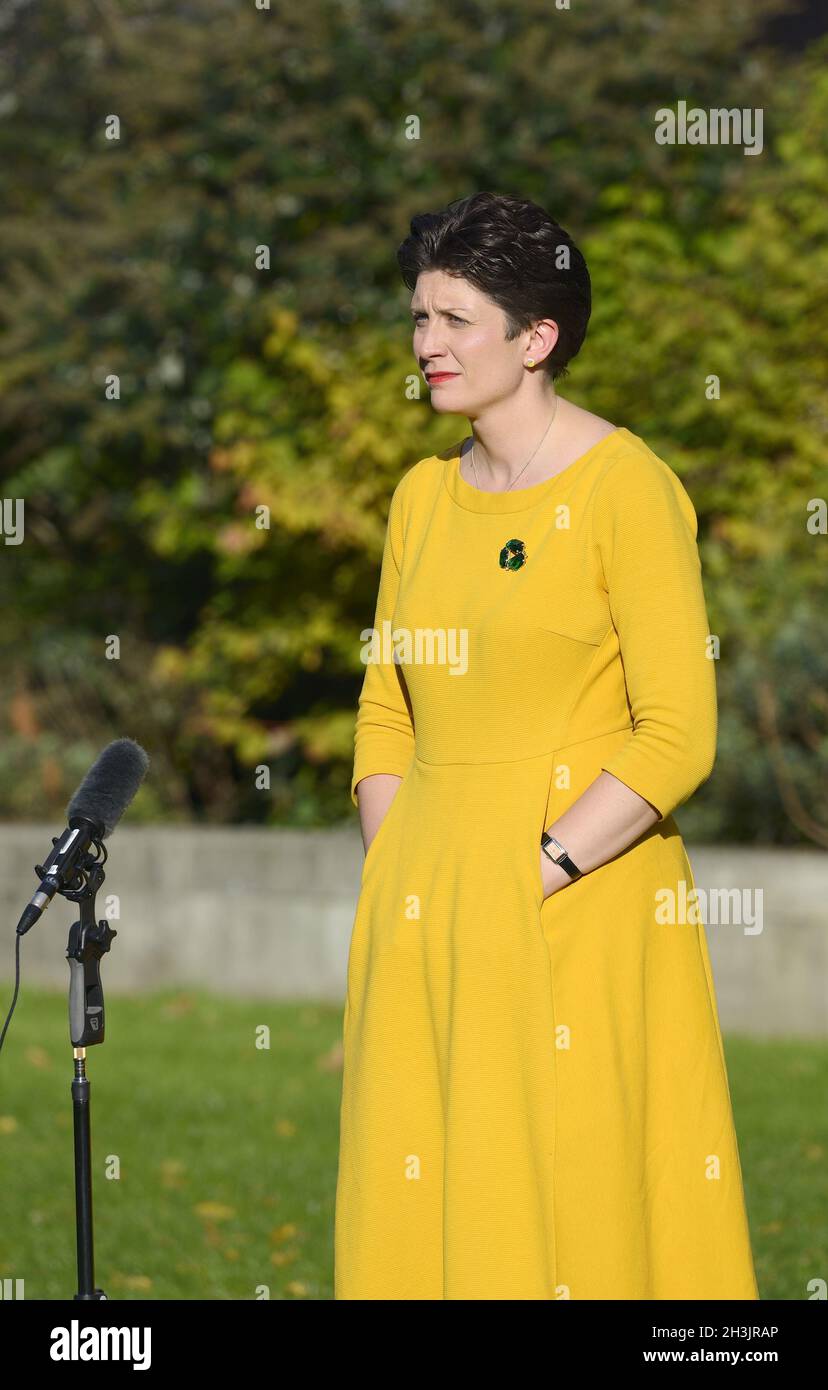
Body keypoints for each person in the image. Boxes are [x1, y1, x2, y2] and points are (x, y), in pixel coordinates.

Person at [334, 191, 759, 1300]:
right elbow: (386, 713)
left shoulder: (631, 489)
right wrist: (407, 869)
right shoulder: (419, 501)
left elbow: (678, 732)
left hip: (580, 907)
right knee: (425, 1196)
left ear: (538, 339)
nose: (426, 344)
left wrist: (536, 872)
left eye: (455, 319)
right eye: (418, 317)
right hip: (427, 912)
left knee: (574, 1206)